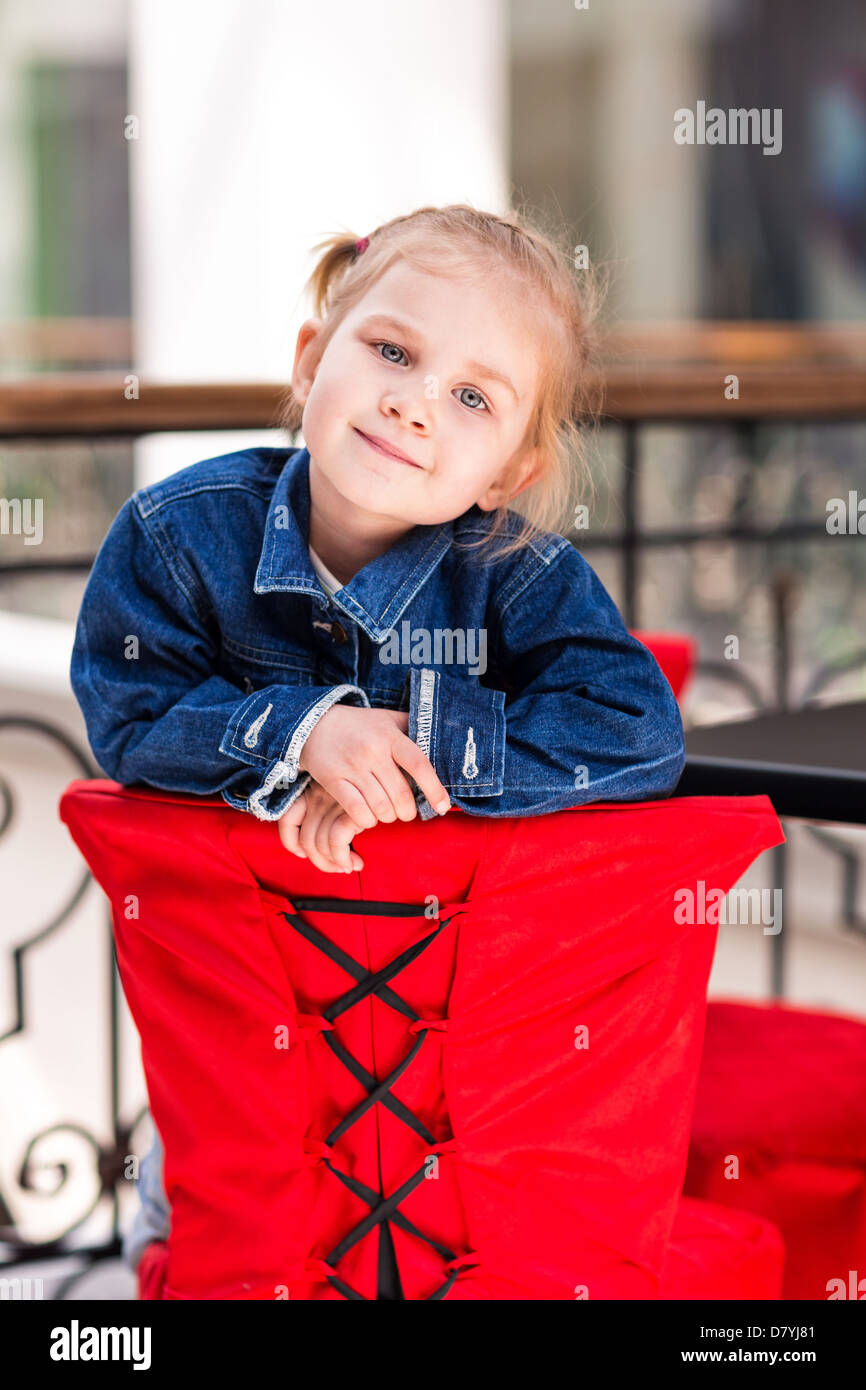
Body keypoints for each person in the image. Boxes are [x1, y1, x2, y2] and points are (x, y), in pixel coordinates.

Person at [69, 202, 686, 1284]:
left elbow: (636, 727)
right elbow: (128, 714)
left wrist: (417, 756)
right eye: (391, 349)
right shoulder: (175, 535)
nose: (411, 401)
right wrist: (302, 731)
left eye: (470, 396)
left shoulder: (511, 569)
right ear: (311, 360)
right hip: (242, 1036)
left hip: (452, 1053)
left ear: (504, 473)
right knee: (205, 1228)